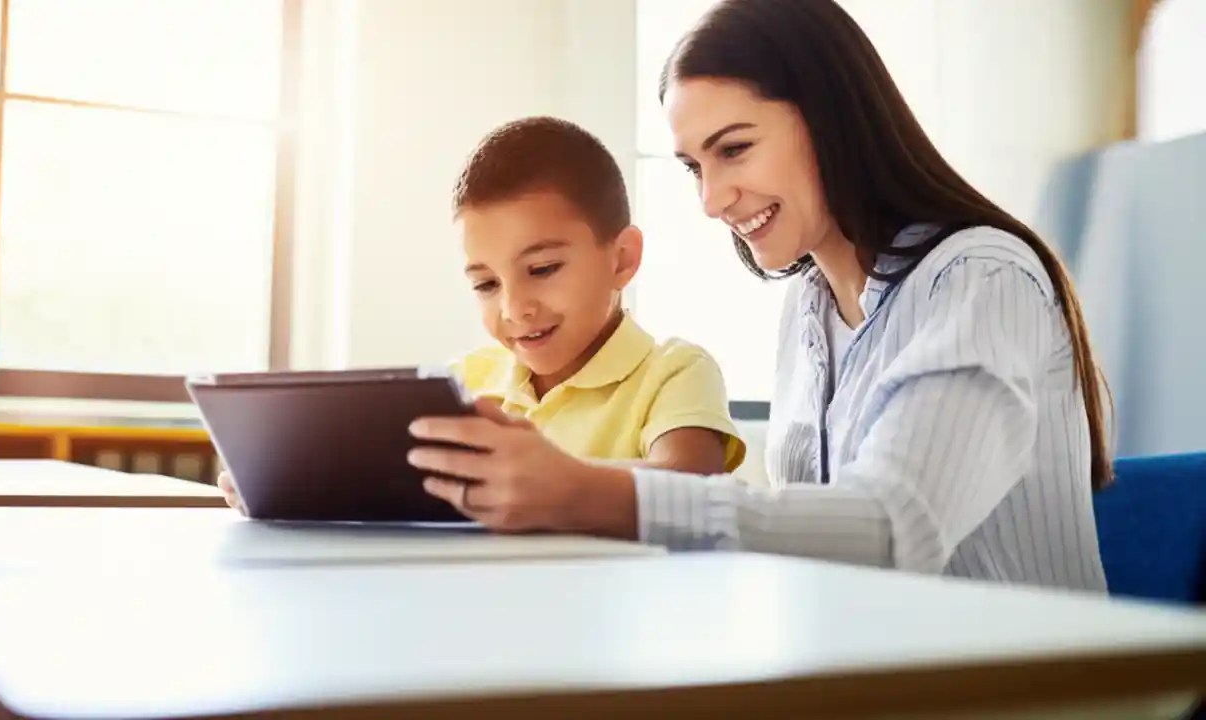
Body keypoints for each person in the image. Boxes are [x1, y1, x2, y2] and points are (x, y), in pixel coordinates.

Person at [407, 0, 1111, 592]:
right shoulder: (808, 310)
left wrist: (583, 491)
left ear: (830, 116)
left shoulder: (982, 279)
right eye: (694, 167)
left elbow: (891, 528)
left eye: (734, 150)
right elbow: (812, 539)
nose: (712, 201)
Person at [220, 117, 745, 513]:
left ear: (622, 259)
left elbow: (689, 487)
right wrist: (293, 491)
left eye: (542, 268)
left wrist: (548, 479)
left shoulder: (675, 371)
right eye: (486, 284)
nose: (515, 308)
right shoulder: (466, 383)